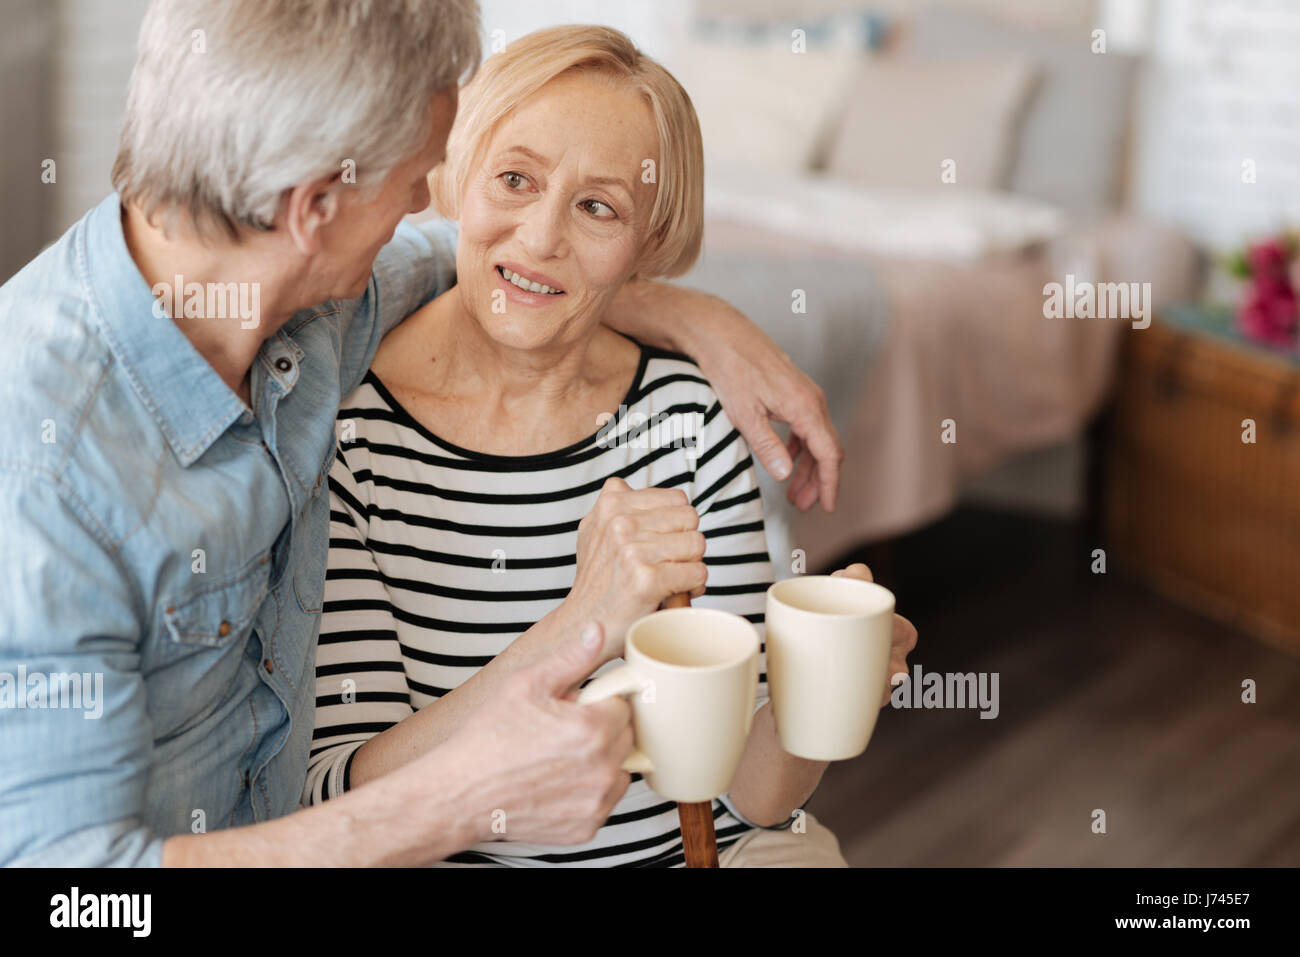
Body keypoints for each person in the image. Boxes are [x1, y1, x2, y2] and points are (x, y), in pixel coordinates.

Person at [0, 0, 851, 867]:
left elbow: (491, 261)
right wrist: (465, 798)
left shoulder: (302, 309)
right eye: (415, 178)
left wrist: (691, 311)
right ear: (316, 206)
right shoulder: (45, 470)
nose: (424, 201)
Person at [305, 25, 917, 867]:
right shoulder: (354, 442)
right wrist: (583, 623)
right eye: (514, 178)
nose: (541, 236)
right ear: (453, 178)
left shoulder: (689, 419)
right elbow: (349, 799)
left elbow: (752, 791)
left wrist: (829, 693)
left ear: (649, 248)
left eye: (599, 206)